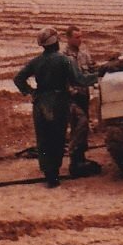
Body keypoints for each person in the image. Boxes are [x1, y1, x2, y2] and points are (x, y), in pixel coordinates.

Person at [13, 27, 98, 187]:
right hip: (59, 101)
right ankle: (54, 175)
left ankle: (49, 173)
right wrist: (99, 75)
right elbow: (80, 80)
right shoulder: (65, 60)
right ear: (56, 42)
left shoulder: (36, 61)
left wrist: (31, 92)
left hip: (40, 103)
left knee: (44, 139)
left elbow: (18, 79)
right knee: (57, 138)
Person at [62, 26, 98, 177]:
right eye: (76, 37)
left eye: (80, 37)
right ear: (69, 38)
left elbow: (91, 68)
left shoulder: (84, 53)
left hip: (84, 94)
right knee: (79, 125)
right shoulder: (63, 56)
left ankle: (81, 157)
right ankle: (75, 159)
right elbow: (63, 78)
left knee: (83, 127)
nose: (79, 40)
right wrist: (71, 91)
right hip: (71, 96)